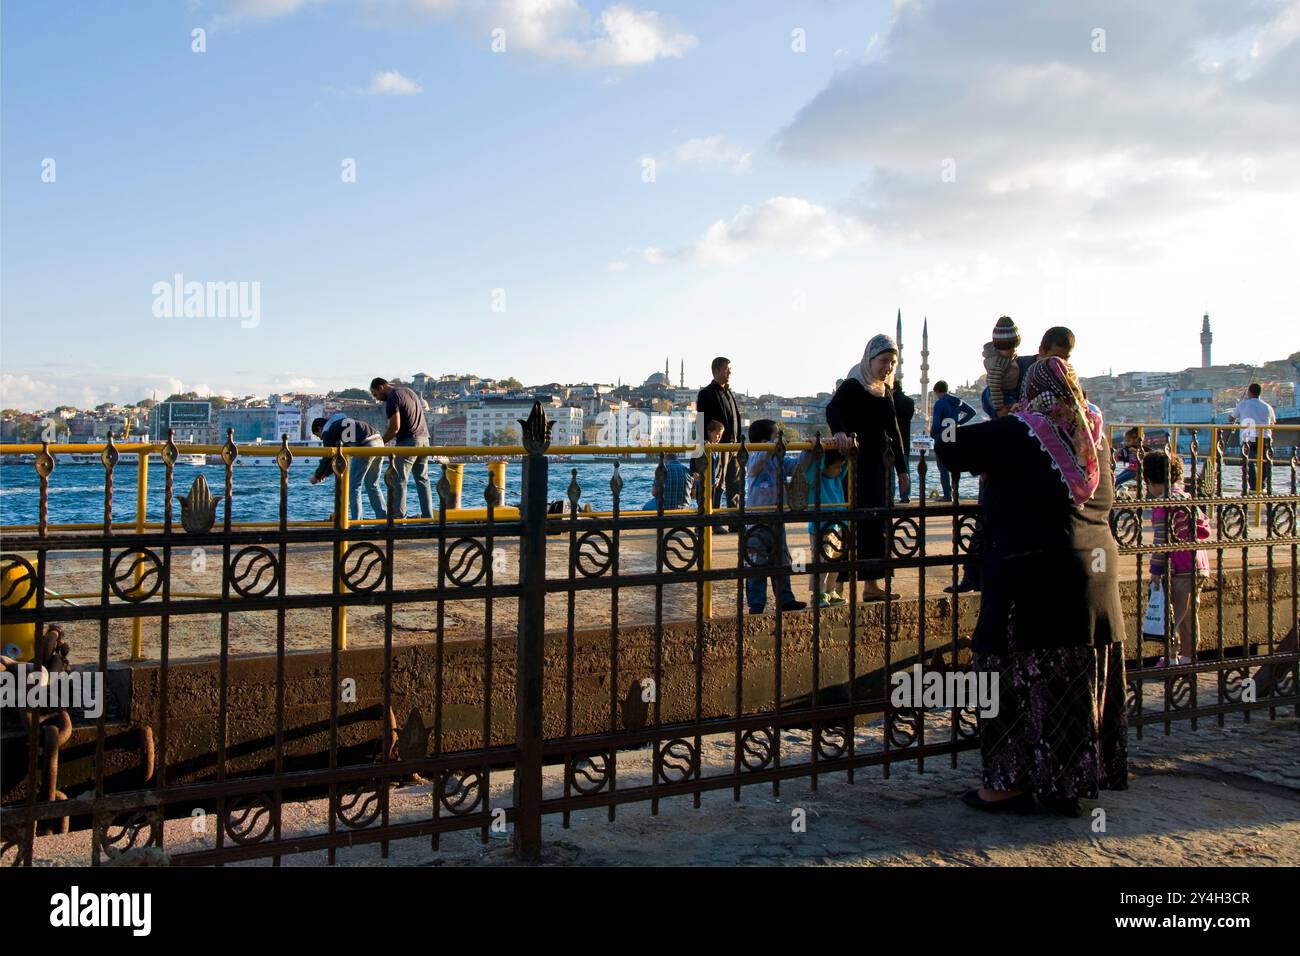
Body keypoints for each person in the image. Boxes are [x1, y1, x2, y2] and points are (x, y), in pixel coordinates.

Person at [934, 356, 1127, 817]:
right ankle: (1066, 785)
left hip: (1033, 580)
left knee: (1008, 677)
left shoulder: (1022, 430)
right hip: (1096, 581)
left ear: (1032, 392)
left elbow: (950, 449)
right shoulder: (1094, 432)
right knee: (1072, 685)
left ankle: (1006, 787)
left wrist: (945, 411)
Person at [826, 333, 910, 602]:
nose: (887, 367)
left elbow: (894, 431)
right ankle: (837, 587)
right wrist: (840, 432)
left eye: (892, 363)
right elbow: (833, 410)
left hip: (877, 467)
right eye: (884, 361)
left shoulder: (884, 391)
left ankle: (872, 585)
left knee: (876, 525)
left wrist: (902, 468)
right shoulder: (853, 386)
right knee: (849, 525)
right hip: (852, 465)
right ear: (870, 359)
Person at [1143, 451, 1210, 667]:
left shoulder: (1164, 505)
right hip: (1198, 564)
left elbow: (1162, 541)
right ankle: (1189, 657)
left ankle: (1171, 657)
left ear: (1152, 481)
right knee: (1189, 616)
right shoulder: (1187, 498)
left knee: (1171, 616)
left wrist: (1155, 570)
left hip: (1179, 568)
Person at [743, 419, 806, 613]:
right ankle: (756, 603)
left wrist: (808, 450)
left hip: (777, 519)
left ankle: (785, 599)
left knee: (782, 560)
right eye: (776, 436)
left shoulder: (778, 460)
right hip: (756, 520)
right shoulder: (753, 458)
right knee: (756, 562)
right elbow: (757, 463)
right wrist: (770, 447)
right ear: (764, 441)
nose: (781, 440)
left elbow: (797, 466)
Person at [370, 377, 433, 519]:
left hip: (408, 442)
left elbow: (395, 427)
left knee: (399, 480)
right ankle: (428, 518)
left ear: (380, 387)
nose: (378, 399)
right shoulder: (409, 391)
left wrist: (381, 443)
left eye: (376, 394)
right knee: (423, 480)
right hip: (424, 440)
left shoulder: (393, 398)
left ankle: (399, 518)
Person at [795, 447, 848, 607]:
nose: (839, 470)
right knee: (821, 561)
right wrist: (822, 453)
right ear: (825, 465)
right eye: (835, 467)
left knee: (836, 561)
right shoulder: (816, 479)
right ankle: (818, 593)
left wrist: (847, 454)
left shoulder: (837, 479)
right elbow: (813, 470)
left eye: (840, 467)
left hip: (838, 526)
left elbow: (846, 467)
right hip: (822, 526)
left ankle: (830, 591)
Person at [309, 414, 387, 521]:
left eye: (318, 435)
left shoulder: (328, 431)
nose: (321, 437)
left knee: (353, 487)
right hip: (379, 441)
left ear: (319, 428)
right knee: (373, 485)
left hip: (365, 445)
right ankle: (383, 520)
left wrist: (318, 476)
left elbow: (328, 457)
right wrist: (325, 473)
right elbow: (339, 458)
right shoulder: (340, 424)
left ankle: (357, 523)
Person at [696, 357, 743, 521]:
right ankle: (712, 521)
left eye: (730, 369)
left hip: (734, 447)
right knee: (717, 485)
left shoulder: (729, 393)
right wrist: (704, 445)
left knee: (734, 485)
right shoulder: (706, 393)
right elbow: (700, 421)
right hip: (718, 447)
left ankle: (734, 521)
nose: (729, 372)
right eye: (726, 369)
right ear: (716, 371)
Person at [929, 380, 978, 500]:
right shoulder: (957, 401)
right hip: (954, 436)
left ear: (937, 391)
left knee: (943, 468)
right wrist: (959, 423)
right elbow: (972, 412)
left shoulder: (940, 404)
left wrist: (933, 434)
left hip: (942, 437)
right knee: (955, 466)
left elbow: (935, 423)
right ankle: (955, 492)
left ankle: (947, 495)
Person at [1230, 383, 1276, 493]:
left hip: (1248, 437)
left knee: (1248, 462)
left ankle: (1253, 487)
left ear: (1249, 392)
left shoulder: (1243, 404)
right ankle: (1262, 486)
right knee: (1265, 462)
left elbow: (1231, 418)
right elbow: (1273, 423)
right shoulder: (1267, 406)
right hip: (1264, 437)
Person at [980, 316, 1023, 419]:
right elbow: (994, 386)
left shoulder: (1008, 357)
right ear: (999, 347)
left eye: (1014, 347)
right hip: (1003, 395)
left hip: (1008, 392)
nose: (1012, 351)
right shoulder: (998, 363)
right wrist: (1000, 408)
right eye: (1007, 348)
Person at [891, 377, 916, 503]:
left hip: (890, 441)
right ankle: (905, 495)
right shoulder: (909, 402)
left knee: (890, 470)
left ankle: (889, 496)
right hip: (904, 440)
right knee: (904, 469)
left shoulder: (888, 401)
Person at [690, 419, 725, 503]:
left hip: (713, 482)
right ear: (709, 432)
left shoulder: (717, 448)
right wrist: (693, 472)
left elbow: (720, 465)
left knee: (713, 503)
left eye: (721, 435)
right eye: (717, 434)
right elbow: (693, 460)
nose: (719, 437)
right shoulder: (702, 444)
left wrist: (718, 477)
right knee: (702, 503)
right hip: (702, 480)